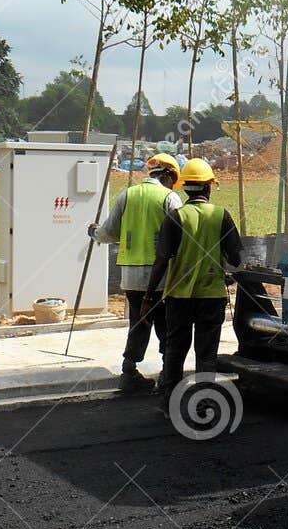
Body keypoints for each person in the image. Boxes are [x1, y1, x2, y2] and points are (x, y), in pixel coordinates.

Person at [149, 157, 242, 407]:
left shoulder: (176, 216)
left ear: (184, 187)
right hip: (211, 296)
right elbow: (236, 257)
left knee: (175, 350)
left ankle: (169, 402)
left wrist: (150, 295)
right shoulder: (222, 216)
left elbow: (161, 260)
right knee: (206, 353)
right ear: (209, 186)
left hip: (178, 297)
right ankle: (204, 403)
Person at [93, 153, 183, 392]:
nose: (174, 183)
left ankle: (129, 370)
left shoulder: (127, 195)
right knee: (166, 324)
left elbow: (109, 233)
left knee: (139, 323)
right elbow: (181, 234)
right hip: (162, 276)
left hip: (131, 276)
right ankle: (168, 372)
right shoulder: (170, 198)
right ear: (167, 174)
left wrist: (94, 233)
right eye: (174, 178)